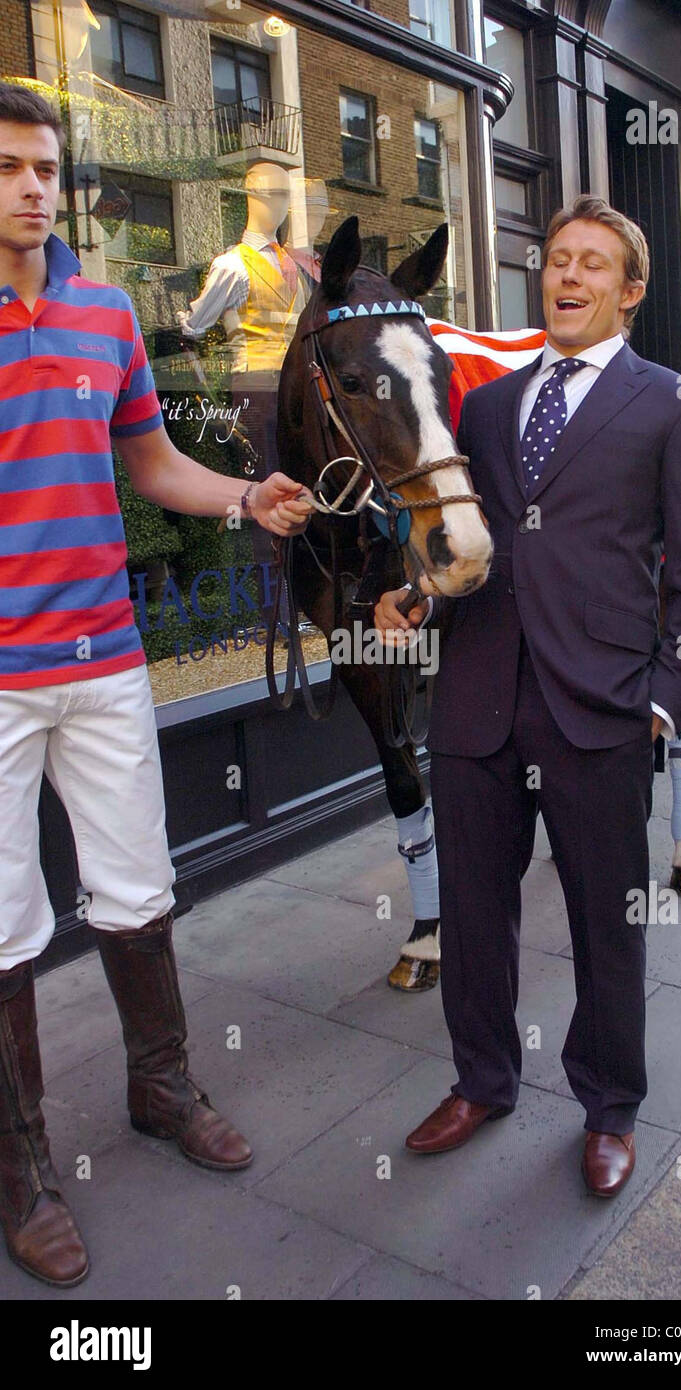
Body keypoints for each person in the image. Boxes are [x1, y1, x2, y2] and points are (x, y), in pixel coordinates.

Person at [0, 83, 312, 1288]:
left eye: (45, 164)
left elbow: (149, 459)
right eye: (12, 164)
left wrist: (244, 496)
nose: (33, 183)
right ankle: (20, 1167)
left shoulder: (106, 312)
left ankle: (160, 1088)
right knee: (9, 926)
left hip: (105, 657)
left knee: (138, 887)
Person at [375, 195, 681, 1197]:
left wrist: (663, 704)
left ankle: (610, 1104)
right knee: (476, 917)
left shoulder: (675, 404)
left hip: (602, 709)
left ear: (629, 292)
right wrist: (416, 594)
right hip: (479, 706)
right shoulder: (486, 410)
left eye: (591, 265)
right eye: (556, 260)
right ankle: (482, 1080)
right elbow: (467, 550)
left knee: (604, 924)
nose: (566, 278)